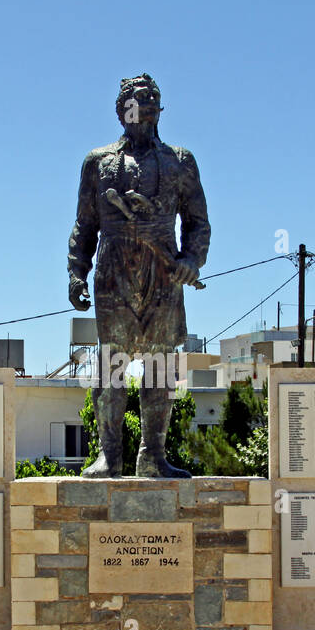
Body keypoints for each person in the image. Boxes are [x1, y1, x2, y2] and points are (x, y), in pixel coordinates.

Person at [67, 74, 211, 477]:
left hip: (162, 273)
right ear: (121, 111)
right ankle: (110, 457)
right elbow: (85, 225)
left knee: (160, 366)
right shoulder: (97, 162)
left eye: (151, 101)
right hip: (113, 272)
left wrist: (192, 259)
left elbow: (198, 222)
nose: (144, 108)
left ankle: (153, 456)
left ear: (159, 111)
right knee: (112, 365)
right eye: (136, 102)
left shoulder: (180, 161)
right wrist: (77, 272)